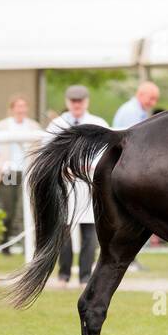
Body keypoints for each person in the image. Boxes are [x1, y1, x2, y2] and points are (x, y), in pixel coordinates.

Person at [46, 85, 108, 286]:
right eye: (73, 101)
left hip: (91, 184)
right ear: (67, 102)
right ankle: (63, 275)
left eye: (80, 101)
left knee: (90, 232)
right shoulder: (57, 124)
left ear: (86, 101)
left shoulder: (98, 123)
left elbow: (106, 153)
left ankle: (85, 276)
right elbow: (47, 152)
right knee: (64, 231)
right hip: (65, 183)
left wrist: (89, 166)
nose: (77, 104)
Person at [0, 95, 40, 253]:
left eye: (23, 106)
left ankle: (24, 244)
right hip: (9, 171)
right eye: (18, 106)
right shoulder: (2, 126)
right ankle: (4, 242)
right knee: (8, 207)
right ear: (12, 108)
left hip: (26, 171)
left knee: (25, 208)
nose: (21, 109)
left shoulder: (33, 126)